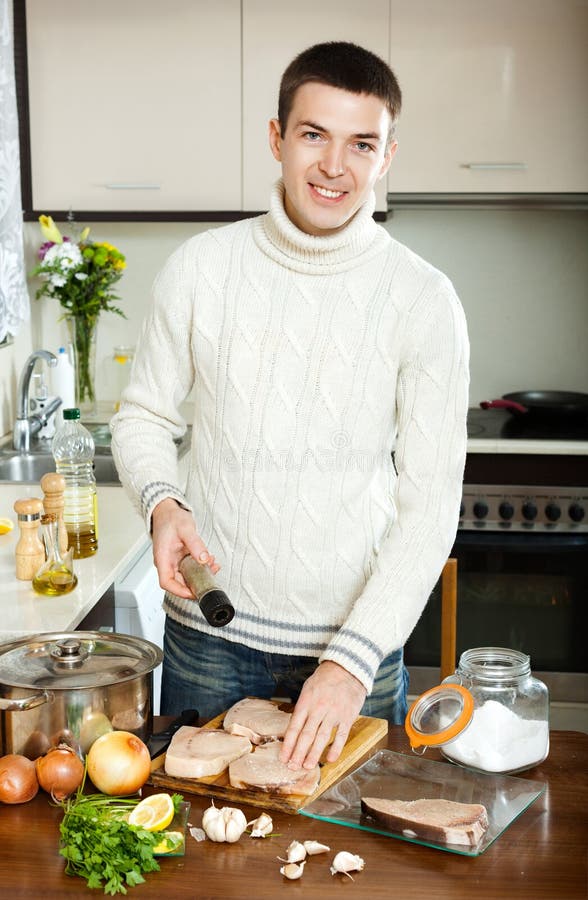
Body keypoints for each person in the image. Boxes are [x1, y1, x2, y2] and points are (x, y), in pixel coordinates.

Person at [111, 41, 469, 772]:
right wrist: (161, 502)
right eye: (314, 135)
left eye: (360, 143)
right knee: (204, 870)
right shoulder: (200, 269)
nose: (335, 166)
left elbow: (430, 506)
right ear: (276, 138)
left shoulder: (425, 300)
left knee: (345, 867)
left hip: (355, 658)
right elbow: (144, 416)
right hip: (209, 642)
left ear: (387, 155)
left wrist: (353, 662)